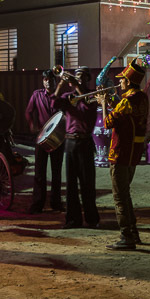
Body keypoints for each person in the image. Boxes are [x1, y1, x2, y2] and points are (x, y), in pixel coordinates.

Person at [99, 59, 149, 251]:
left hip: (120, 154)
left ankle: (126, 236)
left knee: (119, 197)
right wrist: (111, 101)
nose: (119, 83)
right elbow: (124, 114)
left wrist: (103, 103)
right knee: (125, 194)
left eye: (121, 81)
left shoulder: (126, 101)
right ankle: (133, 233)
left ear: (128, 82)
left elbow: (107, 123)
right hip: (133, 154)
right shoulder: (141, 98)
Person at [54, 67, 99, 229]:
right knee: (71, 185)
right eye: (76, 76)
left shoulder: (92, 95)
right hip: (70, 142)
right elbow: (54, 103)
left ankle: (92, 220)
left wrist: (76, 85)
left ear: (87, 79)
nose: (78, 79)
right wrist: (61, 84)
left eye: (81, 77)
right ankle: (73, 220)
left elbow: (88, 106)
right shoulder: (68, 97)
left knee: (87, 183)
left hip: (84, 142)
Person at [25, 71, 63, 213]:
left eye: (50, 80)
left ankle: (56, 203)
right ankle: (37, 204)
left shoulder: (60, 95)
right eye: (45, 80)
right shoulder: (37, 94)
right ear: (43, 81)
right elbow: (28, 111)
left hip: (58, 138)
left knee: (56, 172)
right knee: (39, 172)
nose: (48, 82)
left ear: (55, 81)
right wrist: (31, 125)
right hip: (41, 138)